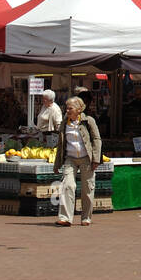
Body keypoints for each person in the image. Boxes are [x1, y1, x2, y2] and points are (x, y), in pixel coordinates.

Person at [54, 96, 102, 227]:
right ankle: (65, 218)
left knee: (87, 188)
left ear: (79, 109)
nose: (67, 110)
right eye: (66, 108)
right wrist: (57, 163)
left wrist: (96, 159)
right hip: (70, 158)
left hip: (87, 158)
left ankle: (86, 217)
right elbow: (60, 143)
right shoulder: (65, 122)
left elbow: (97, 140)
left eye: (70, 108)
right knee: (68, 185)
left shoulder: (88, 121)